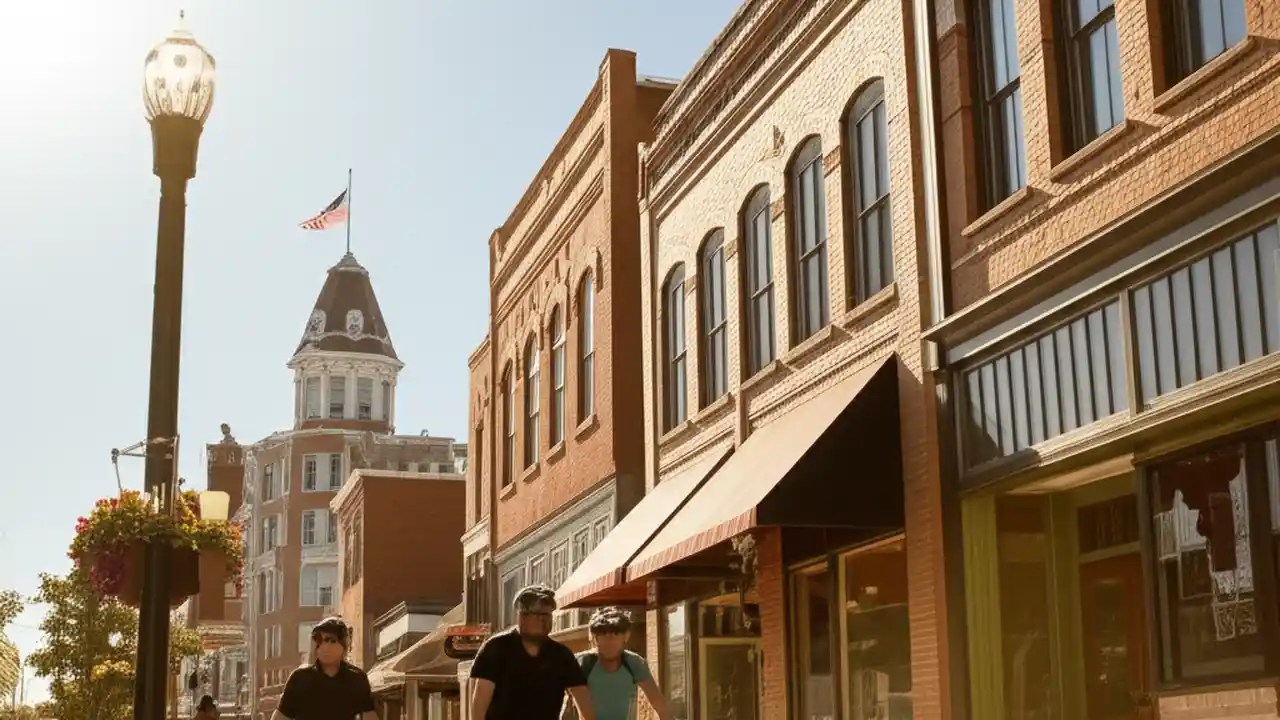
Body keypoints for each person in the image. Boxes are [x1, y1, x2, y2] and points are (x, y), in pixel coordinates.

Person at [470, 584, 596, 720]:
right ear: (522, 616)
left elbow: (583, 699)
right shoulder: (496, 648)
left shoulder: (561, 655)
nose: (545, 620)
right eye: (539, 614)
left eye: (548, 614)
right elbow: (480, 701)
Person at [562, 608, 674, 720]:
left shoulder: (634, 663)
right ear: (594, 638)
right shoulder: (582, 663)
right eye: (603, 634)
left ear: (626, 636)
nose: (609, 640)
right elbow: (585, 712)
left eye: (615, 634)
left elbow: (658, 702)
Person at [271, 616, 378, 720]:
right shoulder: (299, 678)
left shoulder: (356, 678)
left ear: (344, 645)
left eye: (332, 641)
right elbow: (280, 717)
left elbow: (370, 715)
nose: (325, 647)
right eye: (320, 641)